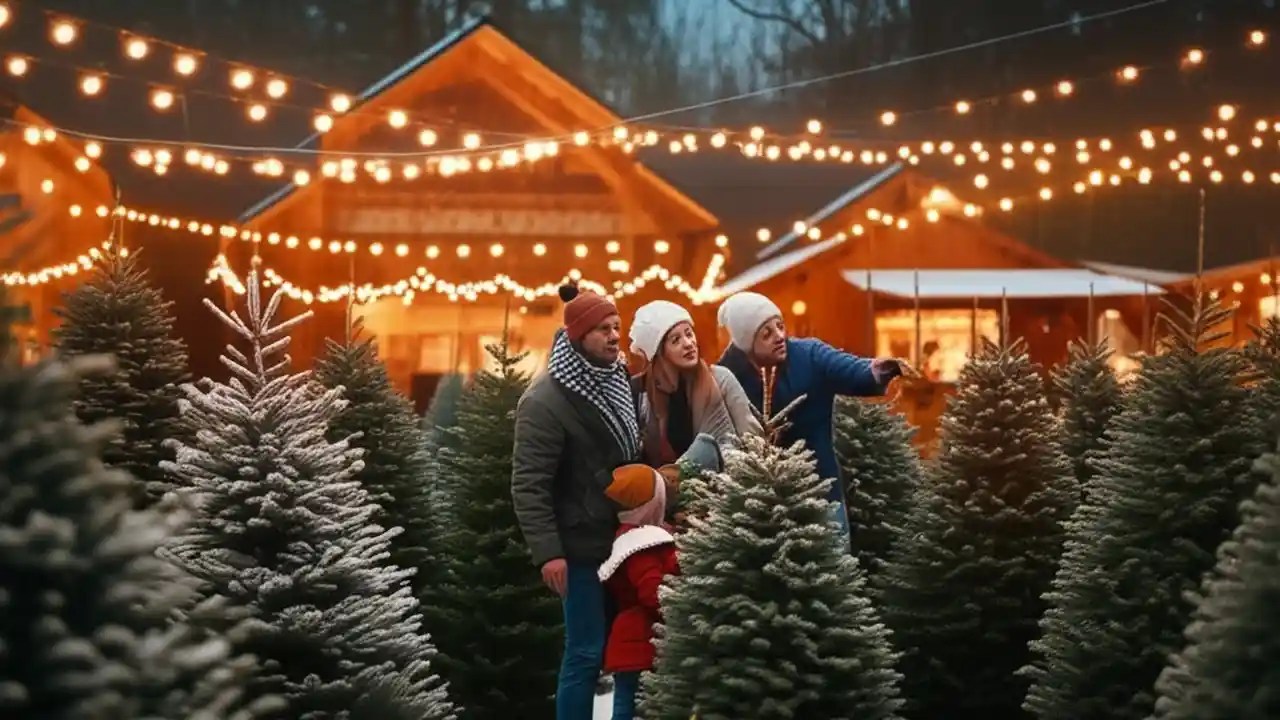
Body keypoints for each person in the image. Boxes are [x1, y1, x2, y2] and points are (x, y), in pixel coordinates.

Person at [512, 284, 641, 720]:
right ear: (578, 336)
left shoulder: (617, 380)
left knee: (629, 650)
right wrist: (549, 553)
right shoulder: (545, 401)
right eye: (602, 329)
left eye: (616, 327)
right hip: (580, 548)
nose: (612, 336)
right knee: (585, 653)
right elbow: (529, 484)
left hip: (625, 540)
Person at [715, 291, 917, 540]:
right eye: (766, 334)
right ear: (746, 345)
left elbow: (849, 369)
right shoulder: (727, 378)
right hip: (757, 504)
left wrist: (879, 370)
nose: (779, 336)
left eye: (780, 326)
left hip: (821, 490)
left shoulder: (809, 355)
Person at [628, 299, 762, 468]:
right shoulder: (640, 392)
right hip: (667, 489)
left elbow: (752, 438)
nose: (688, 343)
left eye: (689, 334)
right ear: (659, 352)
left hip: (725, 485)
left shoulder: (721, 379)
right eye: (676, 340)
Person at [597, 463, 680, 720]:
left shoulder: (624, 539)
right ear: (652, 505)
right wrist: (681, 603)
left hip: (629, 644)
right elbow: (651, 592)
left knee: (626, 705)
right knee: (631, 708)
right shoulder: (642, 545)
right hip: (642, 645)